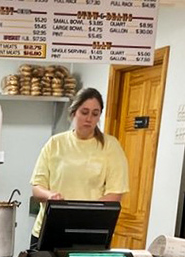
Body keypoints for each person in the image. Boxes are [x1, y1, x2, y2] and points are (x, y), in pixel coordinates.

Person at [29, 87, 130, 247]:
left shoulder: (111, 146)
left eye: (95, 114)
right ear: (73, 112)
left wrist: (81, 216)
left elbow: (115, 194)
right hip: (49, 231)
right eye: (84, 112)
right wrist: (50, 195)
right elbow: (37, 188)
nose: (89, 119)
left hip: (90, 234)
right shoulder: (55, 143)